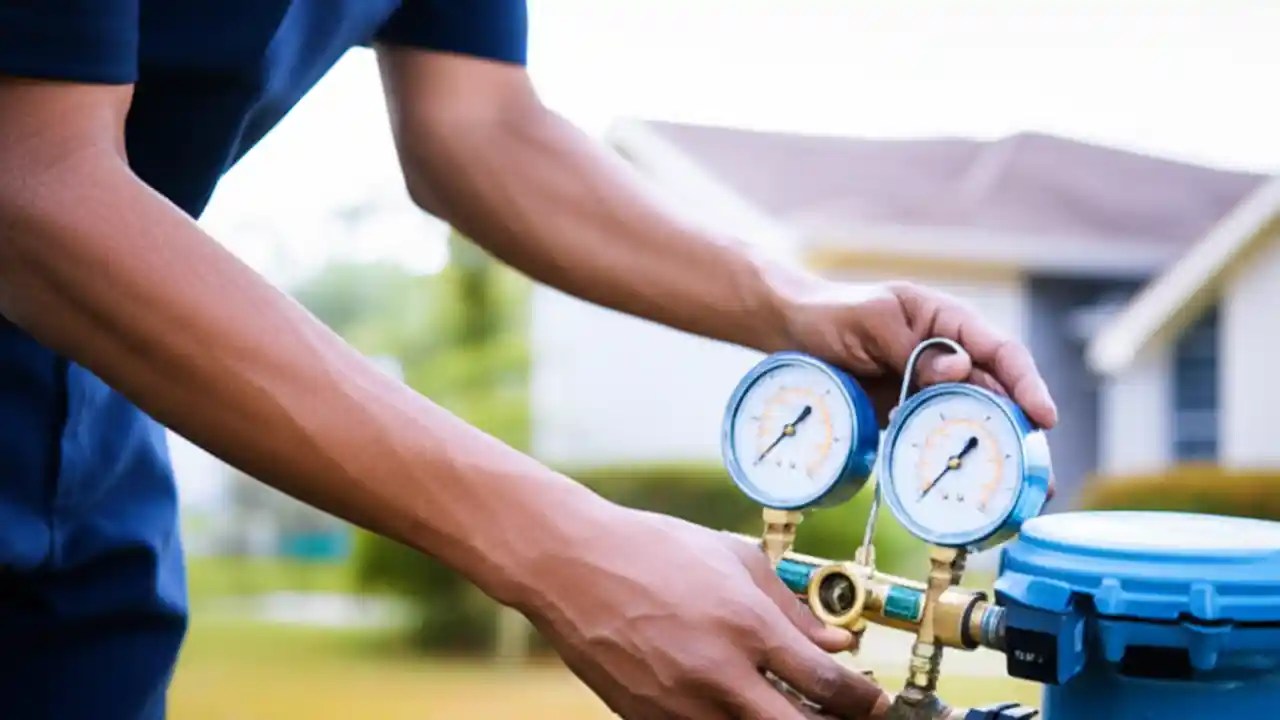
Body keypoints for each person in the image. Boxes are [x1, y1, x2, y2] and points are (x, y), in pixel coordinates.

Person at [0, 2, 1057, 719]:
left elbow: (480, 123)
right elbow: (29, 183)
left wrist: (793, 303)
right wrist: (565, 550)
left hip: (88, 435)